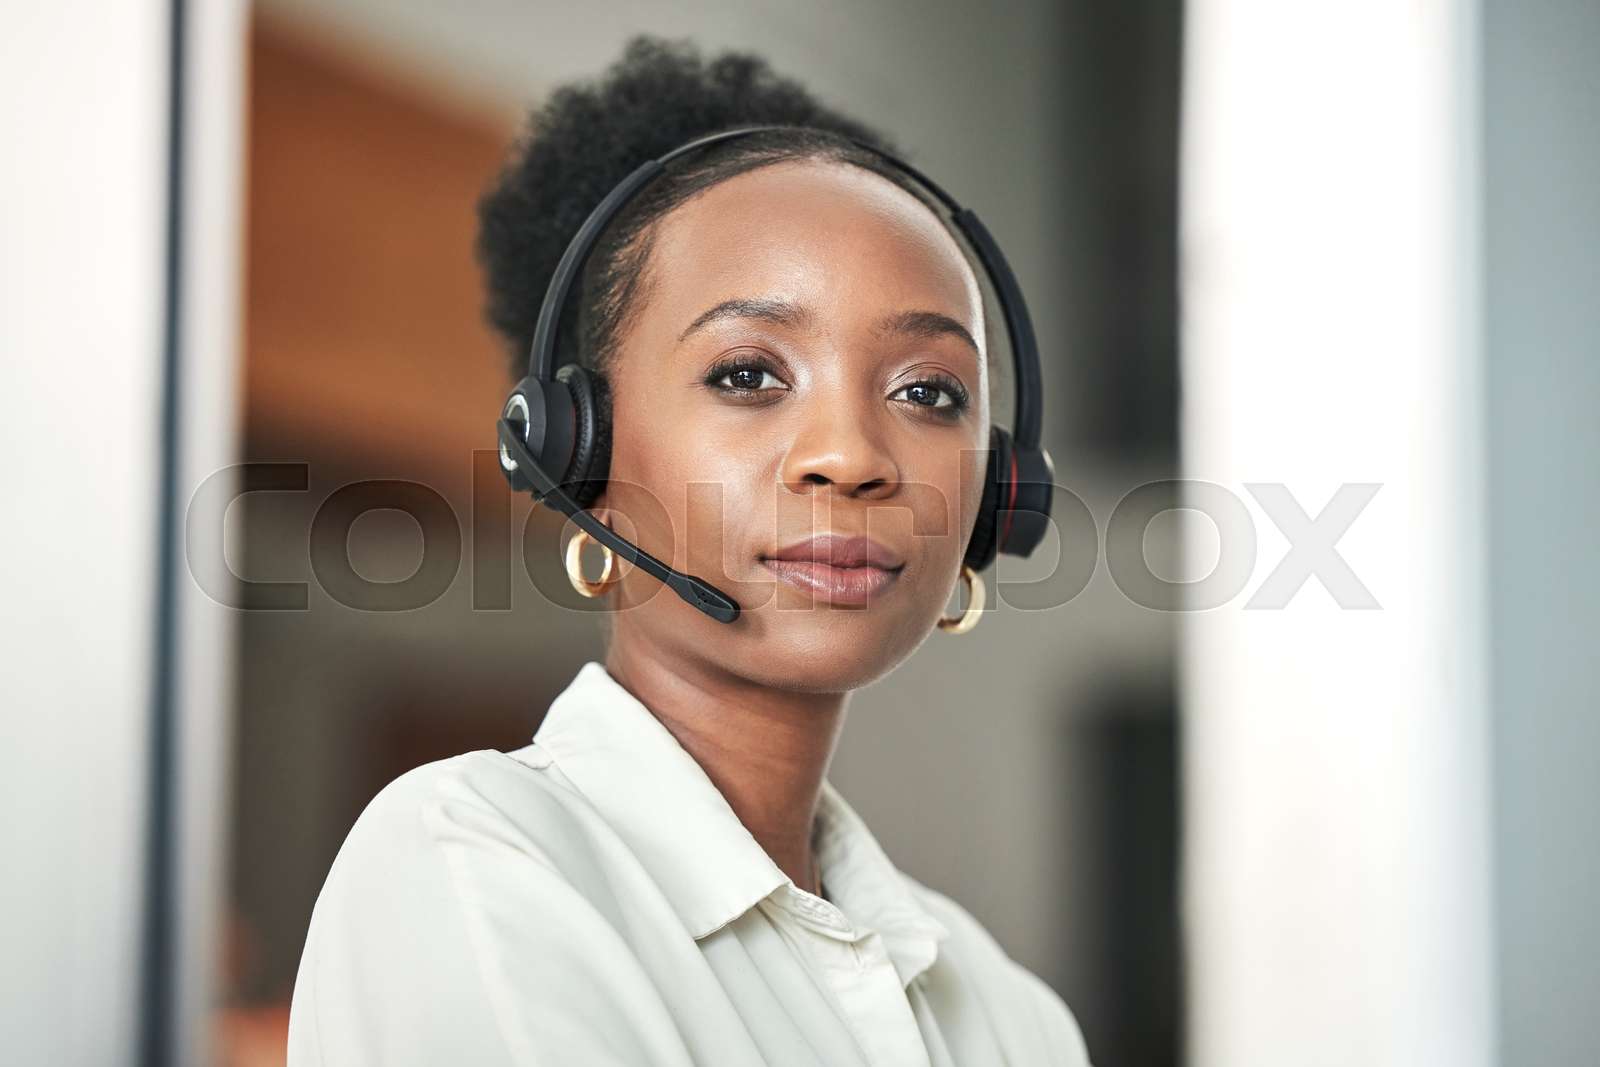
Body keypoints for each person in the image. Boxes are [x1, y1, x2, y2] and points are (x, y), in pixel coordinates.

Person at [287, 34, 1091, 1067]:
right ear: (581, 452)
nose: (847, 456)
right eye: (749, 374)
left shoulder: (1006, 1011)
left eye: (927, 391)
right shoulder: (473, 861)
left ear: (998, 495)